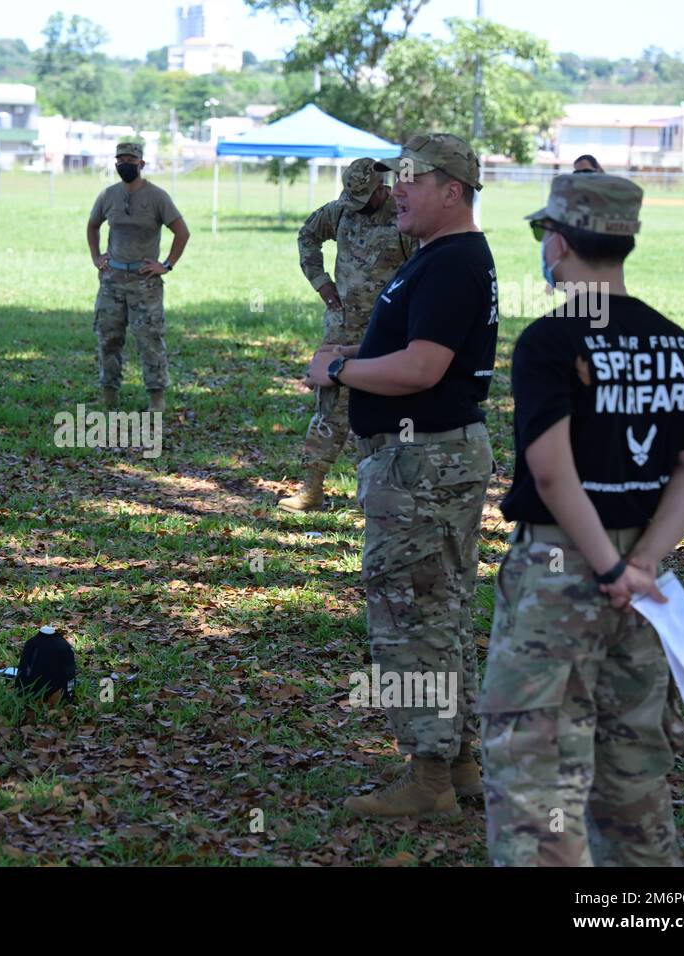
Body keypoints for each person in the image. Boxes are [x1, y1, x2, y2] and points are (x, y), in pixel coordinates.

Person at [482, 173, 684, 865]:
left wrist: (610, 565)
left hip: (563, 568)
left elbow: (552, 471)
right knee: (634, 773)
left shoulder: (550, 341)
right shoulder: (676, 343)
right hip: (646, 584)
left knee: (536, 776)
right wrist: (643, 562)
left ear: (557, 244)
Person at [307, 133, 499, 819]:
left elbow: (422, 368)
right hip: (435, 458)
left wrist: (337, 370)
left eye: (412, 180)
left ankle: (428, 782)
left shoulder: (449, 263)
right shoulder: (441, 258)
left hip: (421, 464)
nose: (398, 191)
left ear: (452, 190)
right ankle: (462, 761)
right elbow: (415, 346)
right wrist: (357, 352)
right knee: (442, 613)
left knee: (410, 619)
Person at [279, 158, 414, 512]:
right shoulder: (339, 212)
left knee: (388, 404)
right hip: (341, 326)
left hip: (386, 331)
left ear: (382, 188)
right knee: (330, 404)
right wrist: (321, 282)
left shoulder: (404, 218)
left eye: (365, 197)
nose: (358, 205)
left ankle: (382, 488)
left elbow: (423, 268)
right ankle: (312, 487)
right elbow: (307, 235)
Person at [86, 141, 190, 412]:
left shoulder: (157, 197)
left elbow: (182, 232)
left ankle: (157, 398)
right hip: (112, 281)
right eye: (120, 160)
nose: (125, 165)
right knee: (108, 338)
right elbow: (93, 225)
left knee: (150, 340)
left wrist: (166, 264)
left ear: (142, 164)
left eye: (131, 160)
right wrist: (97, 257)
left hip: (145, 283)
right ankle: (109, 395)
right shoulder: (108, 195)